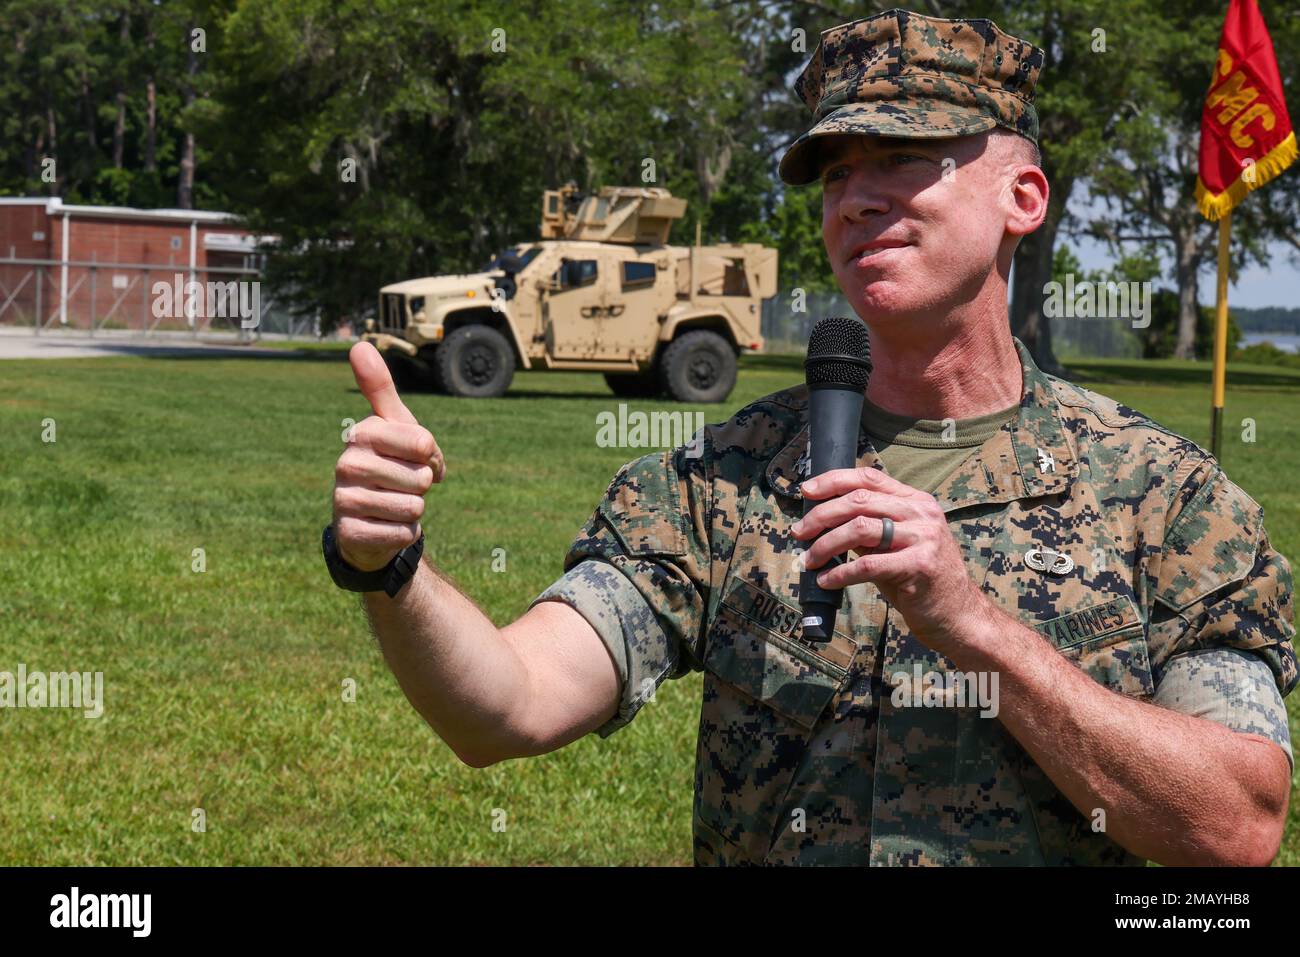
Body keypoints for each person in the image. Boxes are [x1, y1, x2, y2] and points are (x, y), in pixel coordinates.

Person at [323, 9, 1297, 866]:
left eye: (902, 158)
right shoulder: (721, 480)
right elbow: (509, 706)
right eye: (835, 172)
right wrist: (391, 566)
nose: (854, 199)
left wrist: (972, 626)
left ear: (1024, 200)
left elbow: (1234, 830)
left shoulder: (1168, 500)